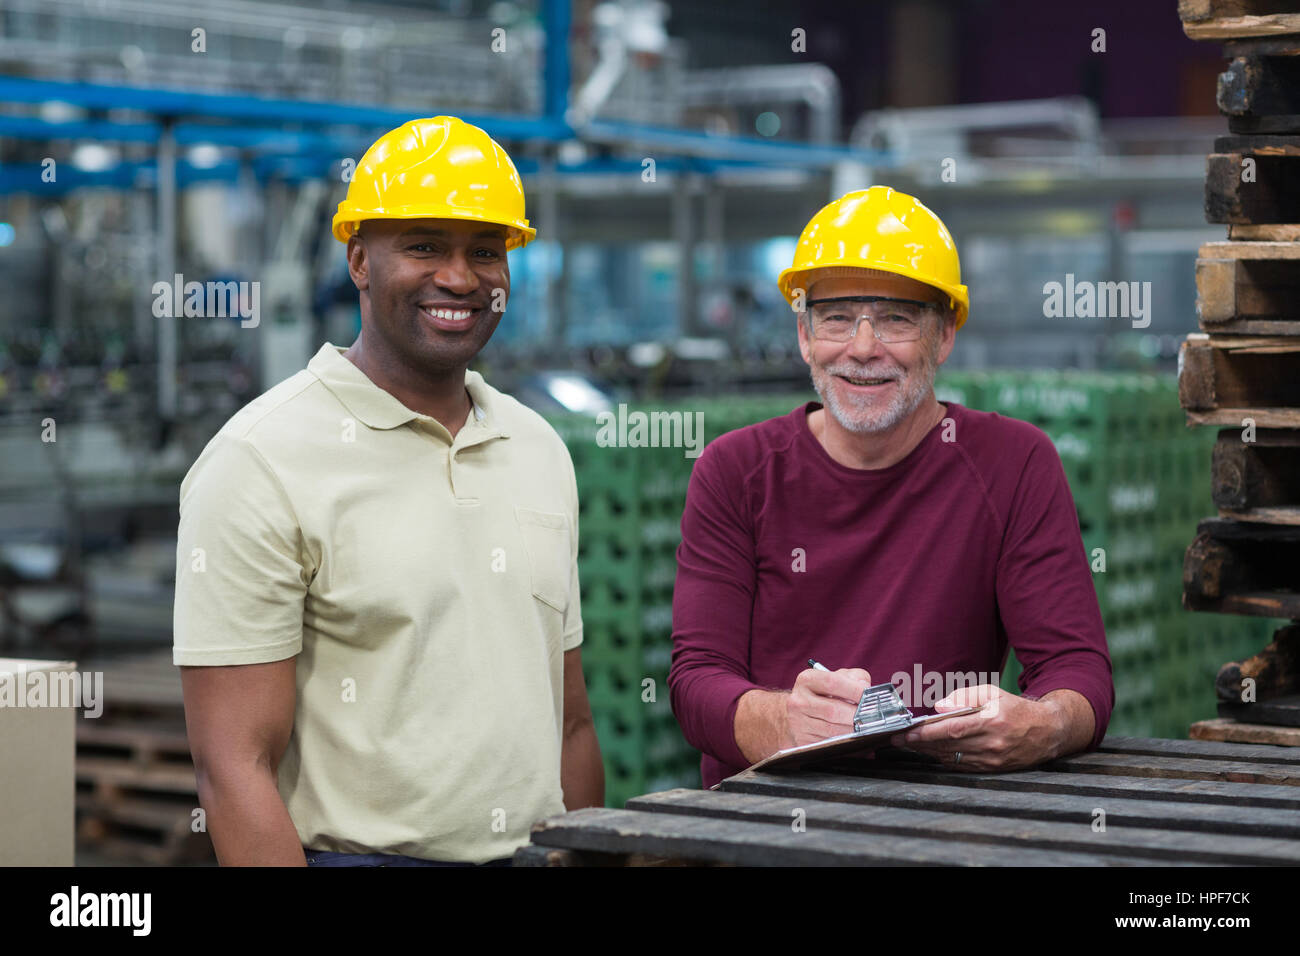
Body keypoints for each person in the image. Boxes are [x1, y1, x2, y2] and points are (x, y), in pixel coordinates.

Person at [174, 116, 603, 866]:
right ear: (359, 262)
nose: (461, 278)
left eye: (486, 251)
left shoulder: (537, 448)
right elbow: (232, 769)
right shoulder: (259, 460)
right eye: (424, 245)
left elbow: (568, 722)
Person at [668, 186, 1113, 790]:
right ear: (804, 336)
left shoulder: (1014, 464)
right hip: (760, 822)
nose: (862, 348)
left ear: (945, 336)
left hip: (937, 815)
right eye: (836, 318)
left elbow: (1076, 670)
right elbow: (697, 680)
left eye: (897, 319)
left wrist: (1043, 723)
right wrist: (782, 720)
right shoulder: (735, 471)